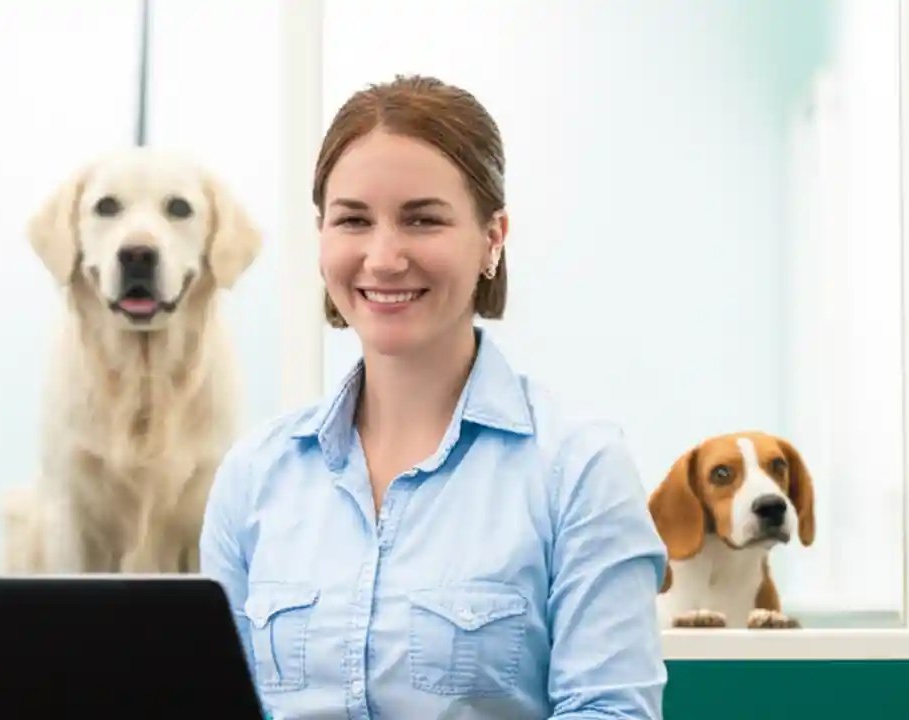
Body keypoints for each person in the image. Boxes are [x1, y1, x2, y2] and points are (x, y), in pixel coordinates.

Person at [200, 74, 668, 720]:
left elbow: (611, 711)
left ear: (492, 238)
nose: (384, 257)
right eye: (353, 221)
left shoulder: (578, 469)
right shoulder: (254, 478)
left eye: (422, 220)